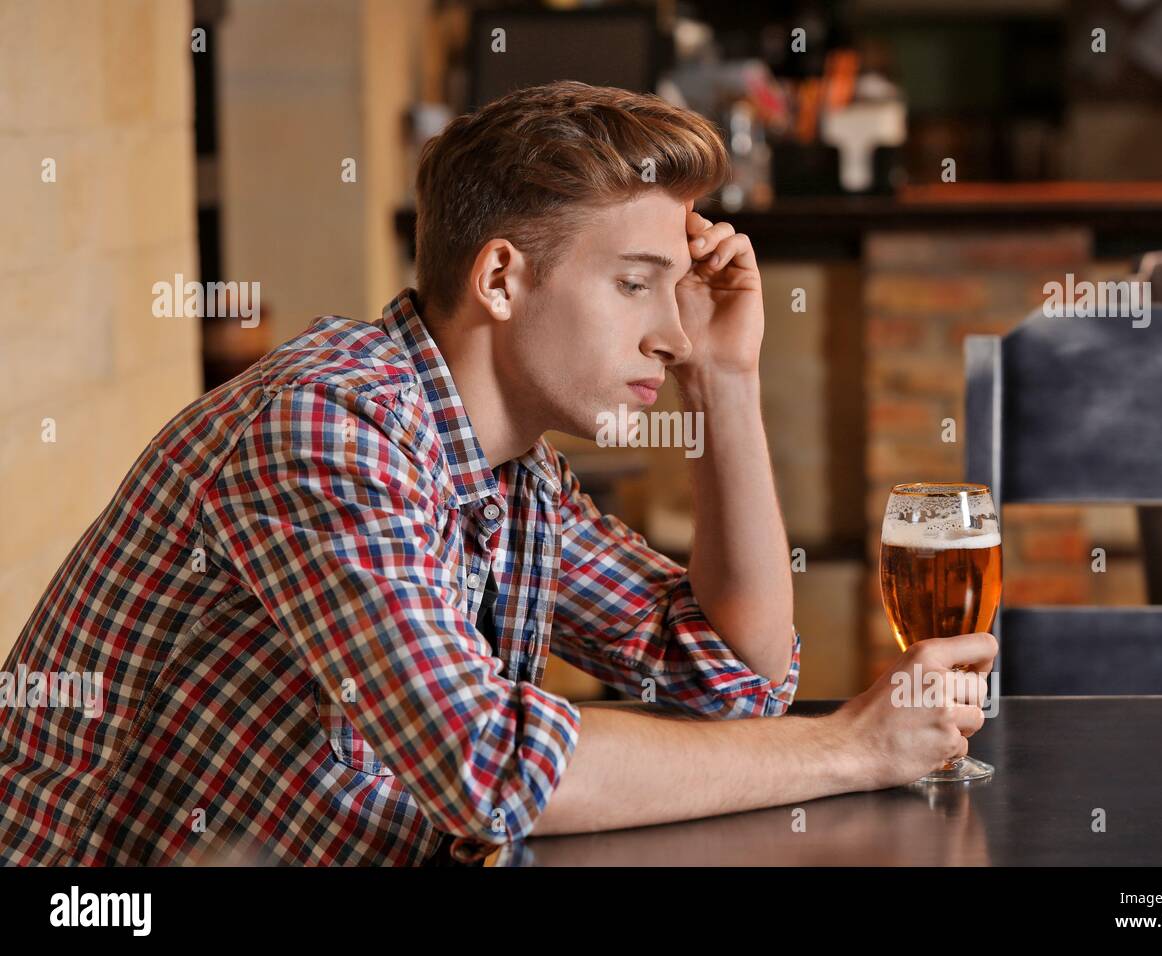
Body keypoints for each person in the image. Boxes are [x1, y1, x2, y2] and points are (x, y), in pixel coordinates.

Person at [0, 81, 994, 866]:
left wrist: (727, 381)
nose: (671, 330)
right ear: (503, 277)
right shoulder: (326, 423)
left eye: (675, 290)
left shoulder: (513, 473)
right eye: (636, 283)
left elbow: (736, 677)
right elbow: (489, 766)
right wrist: (852, 746)